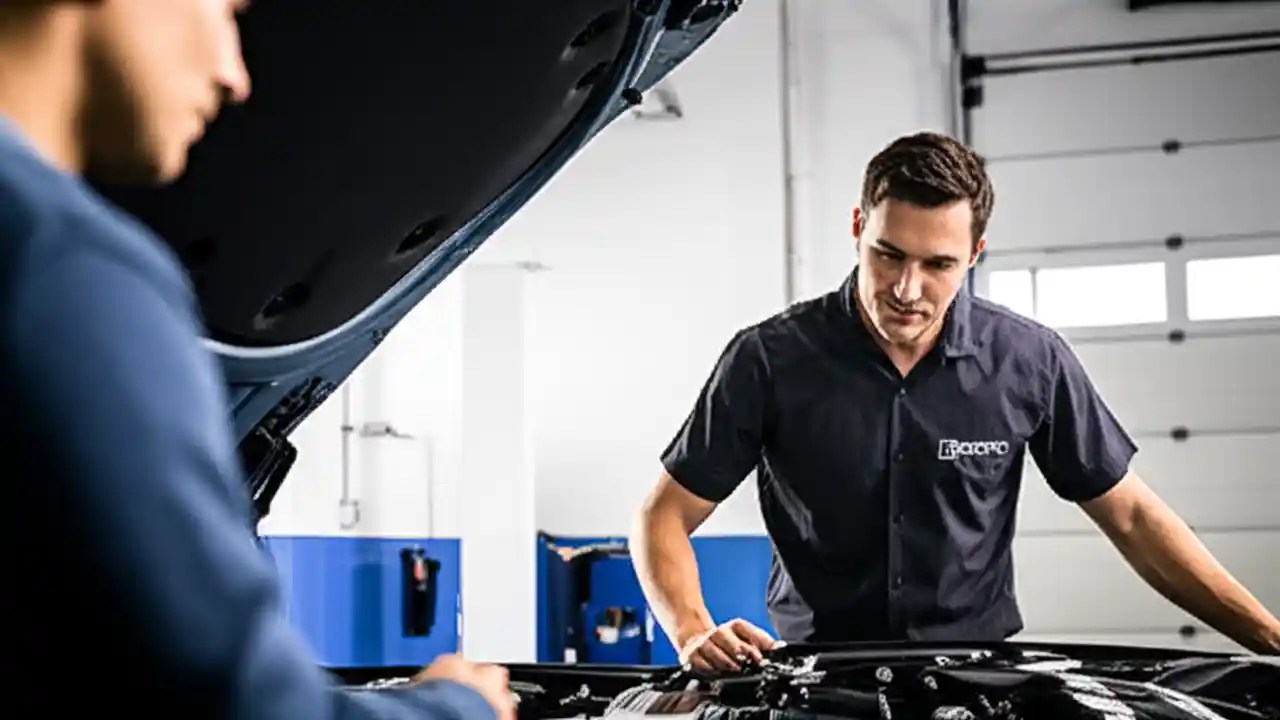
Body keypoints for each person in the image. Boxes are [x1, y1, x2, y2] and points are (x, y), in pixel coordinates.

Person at [0, 1, 513, 717]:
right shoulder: (61, 264)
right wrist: (458, 706)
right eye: (223, 9)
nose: (232, 73)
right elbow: (235, 704)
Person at [630, 130, 1280, 672]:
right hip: (812, 678)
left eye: (937, 264)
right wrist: (690, 628)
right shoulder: (768, 360)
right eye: (887, 254)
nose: (907, 289)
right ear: (858, 227)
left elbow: (1133, 518)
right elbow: (664, 513)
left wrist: (1271, 639)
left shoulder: (1028, 361)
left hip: (977, 678)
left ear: (975, 255)